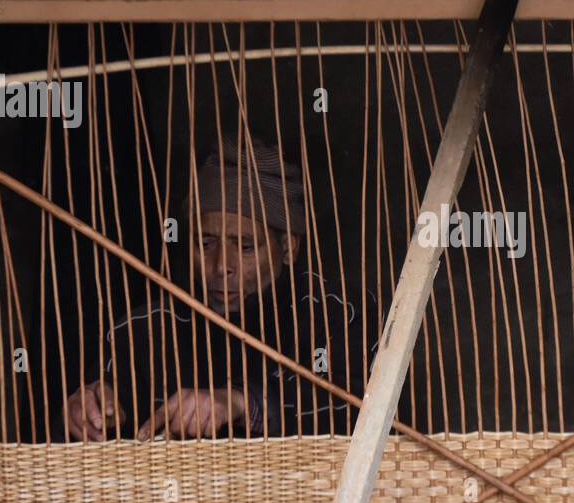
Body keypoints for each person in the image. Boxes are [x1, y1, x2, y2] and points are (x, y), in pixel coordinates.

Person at [61, 135, 369, 441]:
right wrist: (96, 405)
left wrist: (241, 402)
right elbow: (116, 387)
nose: (222, 265)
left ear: (288, 247)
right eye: (205, 243)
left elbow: (356, 412)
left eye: (245, 246)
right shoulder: (144, 330)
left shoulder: (339, 315)